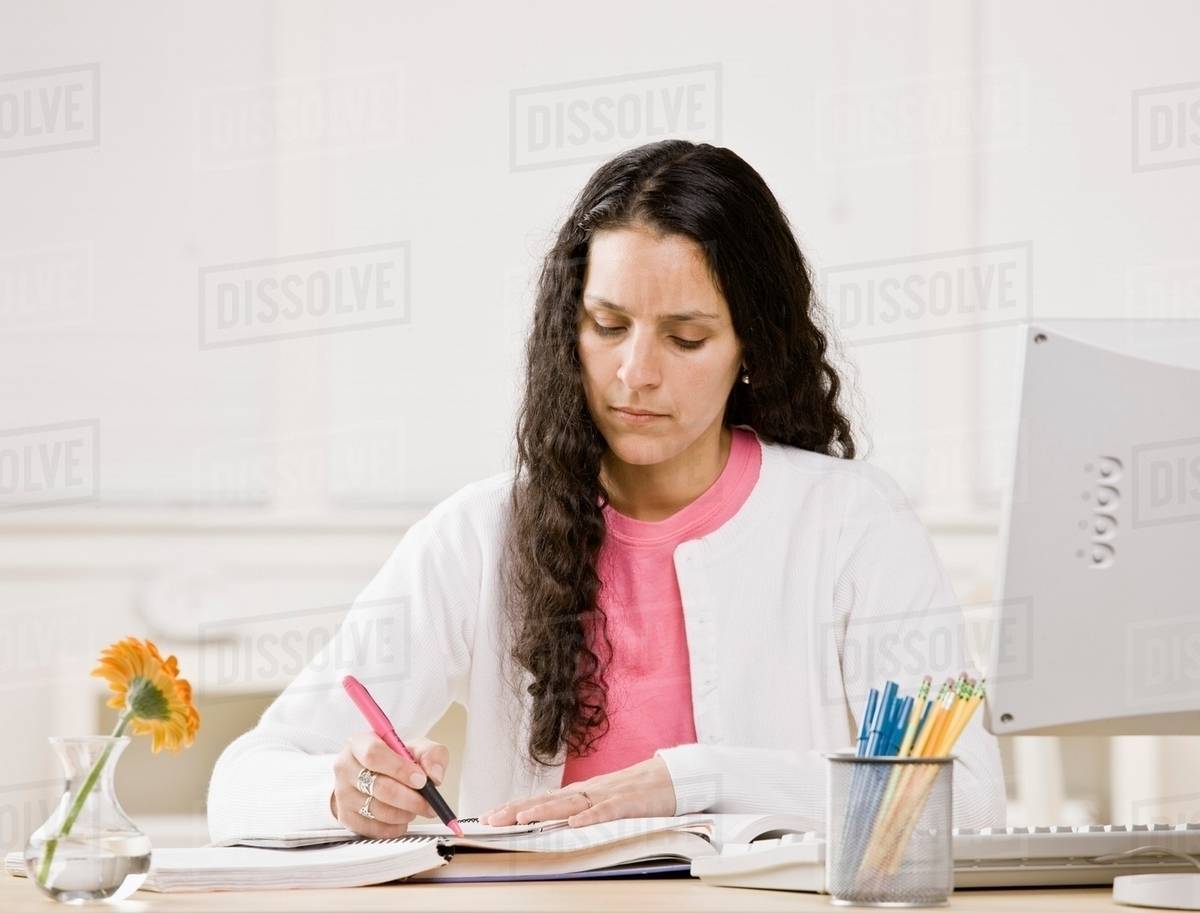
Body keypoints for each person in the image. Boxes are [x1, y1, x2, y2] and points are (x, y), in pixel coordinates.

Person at [206, 140, 1006, 843]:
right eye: (608, 324)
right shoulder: (480, 535)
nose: (636, 373)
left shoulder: (853, 522)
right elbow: (240, 784)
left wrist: (688, 781)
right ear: (570, 328)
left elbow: (964, 800)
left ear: (749, 346)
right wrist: (340, 793)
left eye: (686, 337)